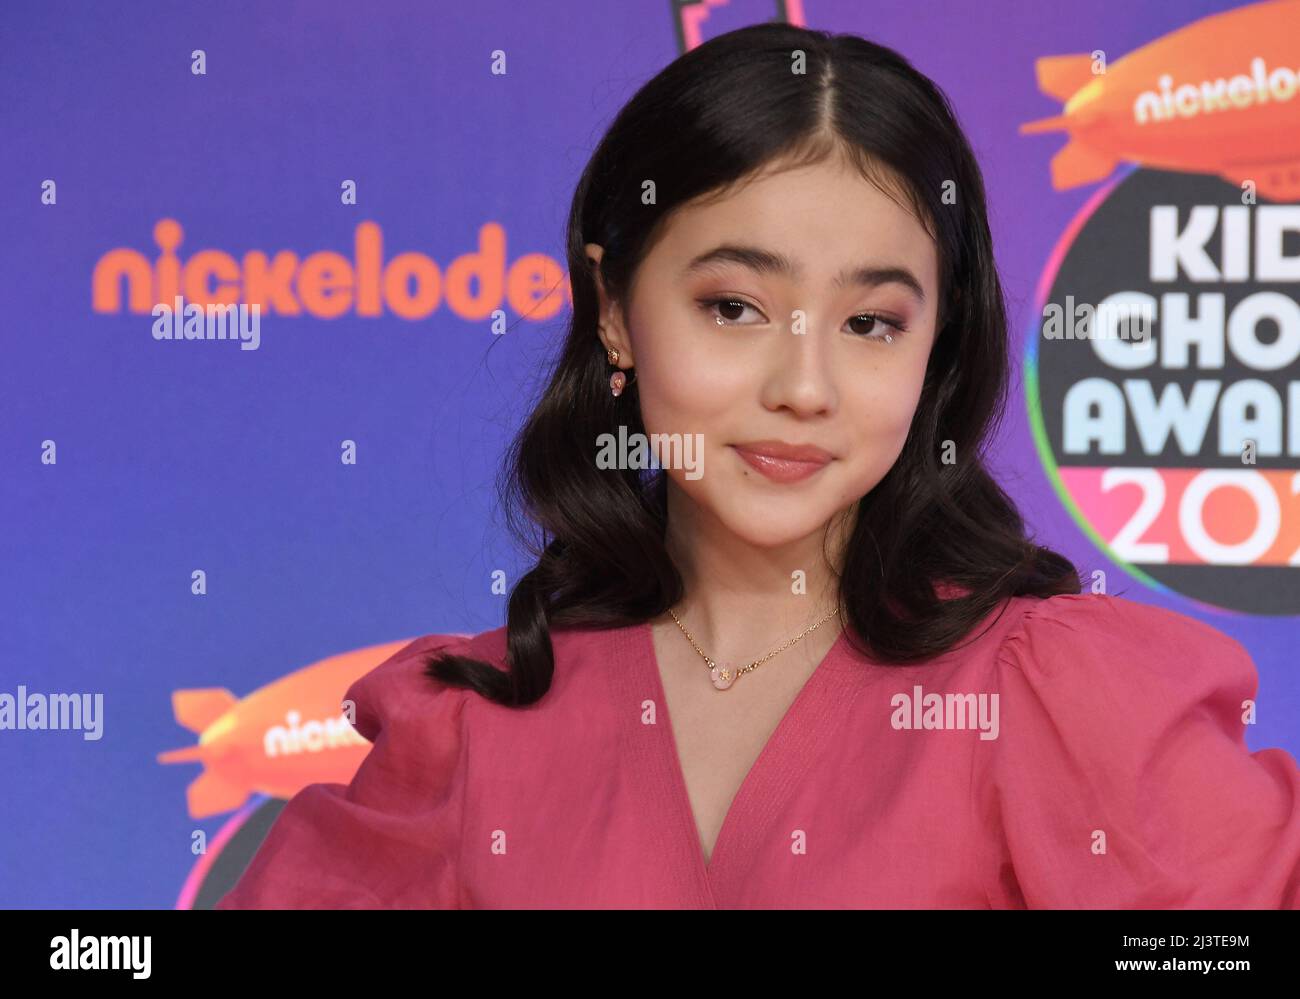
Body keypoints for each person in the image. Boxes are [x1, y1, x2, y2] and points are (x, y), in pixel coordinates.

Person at [215, 22, 1300, 909]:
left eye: (871, 323)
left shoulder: (1056, 695)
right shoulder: (474, 729)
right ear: (614, 310)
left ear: (938, 346)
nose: (805, 387)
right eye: (732, 307)